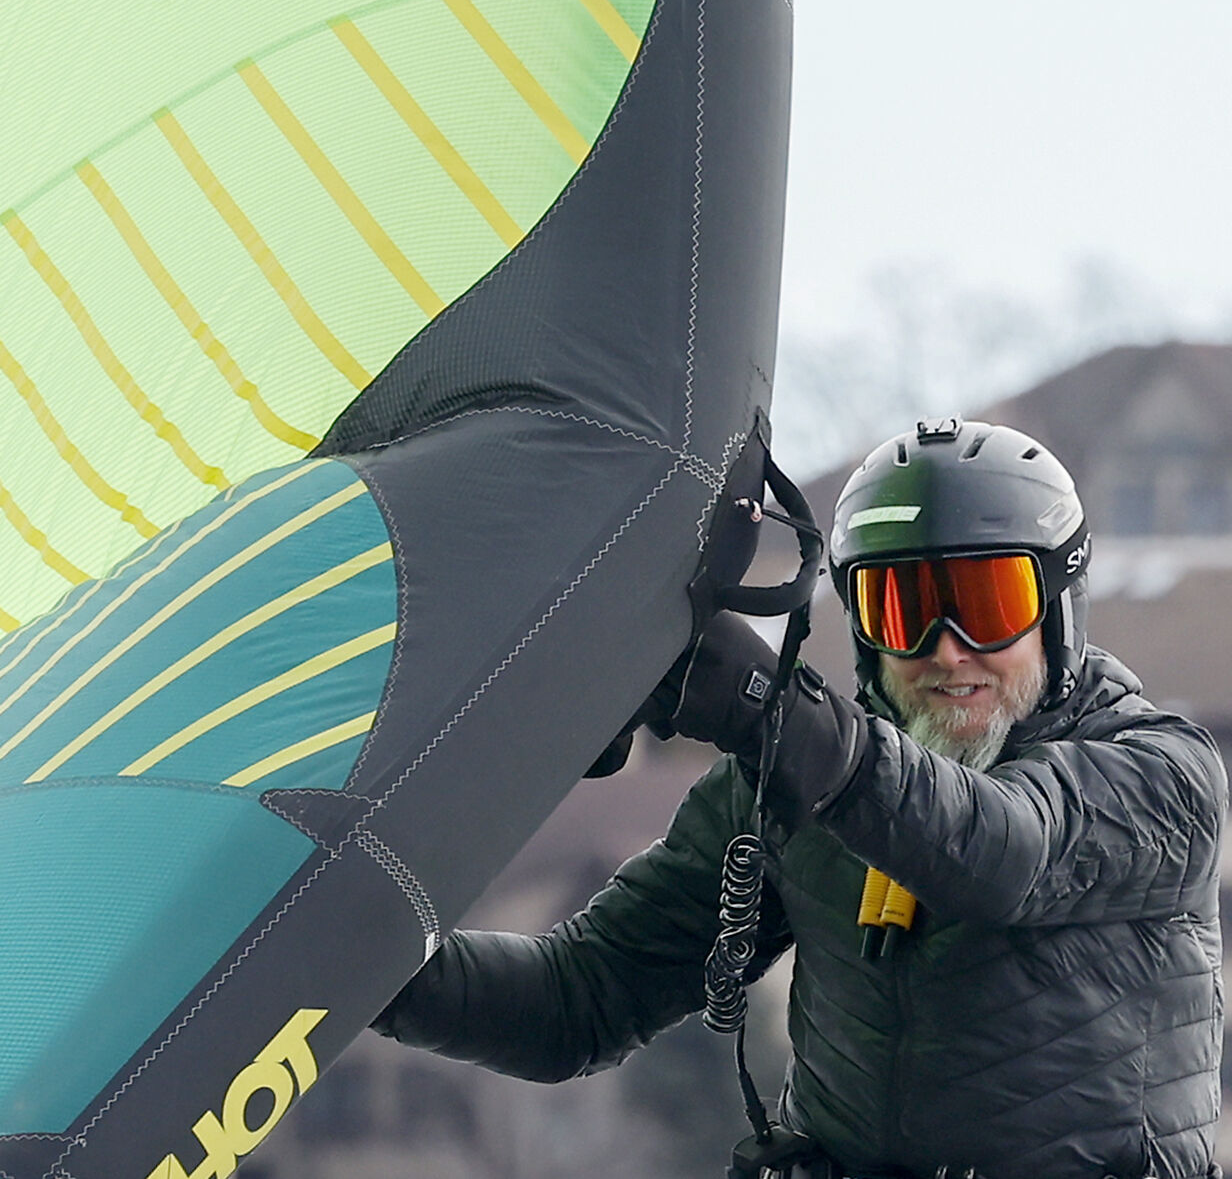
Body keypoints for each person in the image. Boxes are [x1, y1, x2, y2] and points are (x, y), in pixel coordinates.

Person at [373, 419, 1227, 1179]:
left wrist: (766, 708)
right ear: (860, 630)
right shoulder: (797, 776)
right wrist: (361, 964)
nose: (947, 649)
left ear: (1058, 608)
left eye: (988, 602)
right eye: (903, 610)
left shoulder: (1163, 774)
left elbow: (1000, 850)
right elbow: (579, 1000)